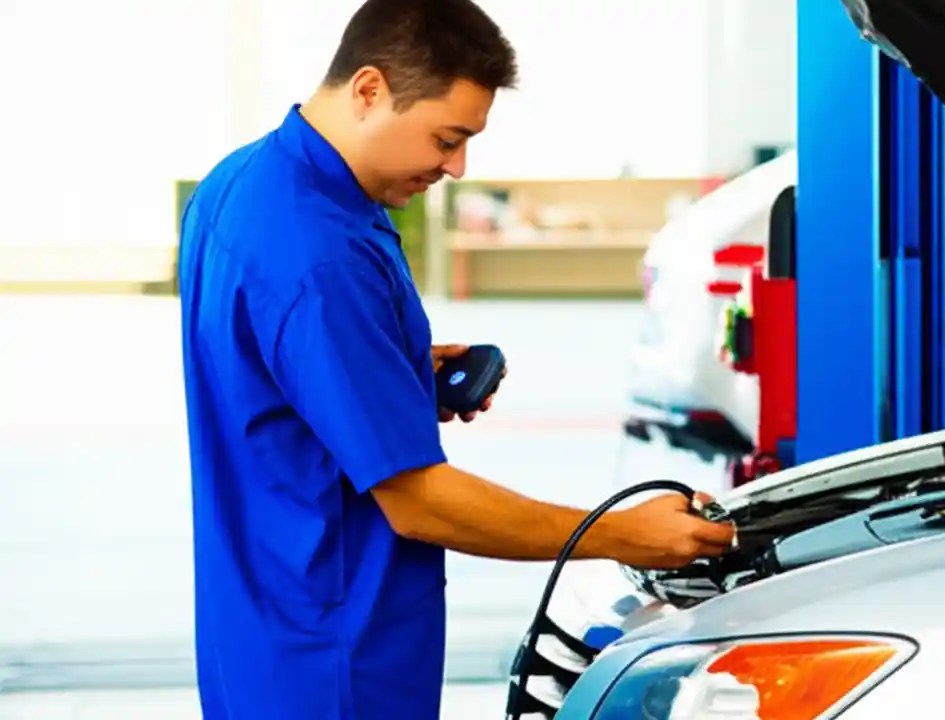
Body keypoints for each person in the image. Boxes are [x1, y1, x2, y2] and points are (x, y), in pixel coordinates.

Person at [175, 0, 737, 718]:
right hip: (336, 662)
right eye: (446, 138)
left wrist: (392, 370)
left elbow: (265, 373)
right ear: (369, 90)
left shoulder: (244, 184)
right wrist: (626, 534)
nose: (457, 166)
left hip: (259, 636)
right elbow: (417, 503)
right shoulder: (319, 250)